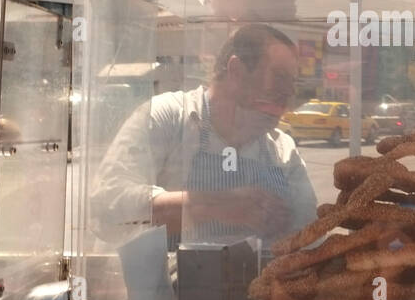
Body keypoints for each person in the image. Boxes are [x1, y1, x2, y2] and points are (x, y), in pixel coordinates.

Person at [91, 23, 318, 248]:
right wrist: (216, 206)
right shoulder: (169, 117)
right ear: (237, 71)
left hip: (260, 284)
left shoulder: (282, 151)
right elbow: (106, 207)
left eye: (292, 83)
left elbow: (310, 236)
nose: (289, 93)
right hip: (172, 283)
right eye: (279, 78)